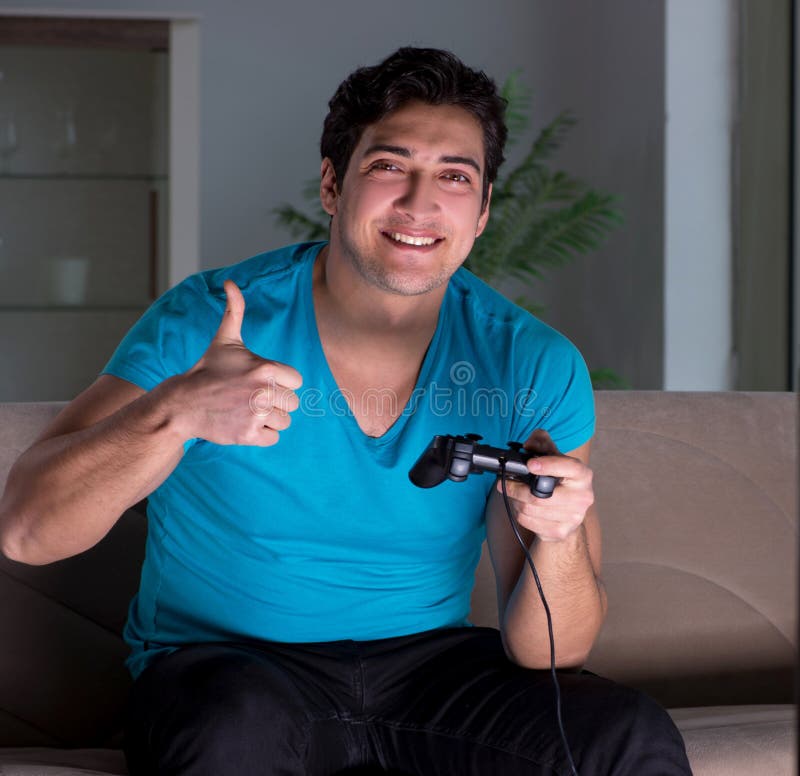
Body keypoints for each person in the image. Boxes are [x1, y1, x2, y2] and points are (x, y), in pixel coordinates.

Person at [0, 47, 691, 775]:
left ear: (483, 210)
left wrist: (560, 537)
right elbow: (27, 532)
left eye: (455, 177)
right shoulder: (208, 320)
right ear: (333, 184)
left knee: (627, 735)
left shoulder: (531, 363)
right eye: (389, 167)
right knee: (232, 733)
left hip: (429, 674)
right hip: (231, 672)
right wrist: (176, 412)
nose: (421, 203)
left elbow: (555, 652)